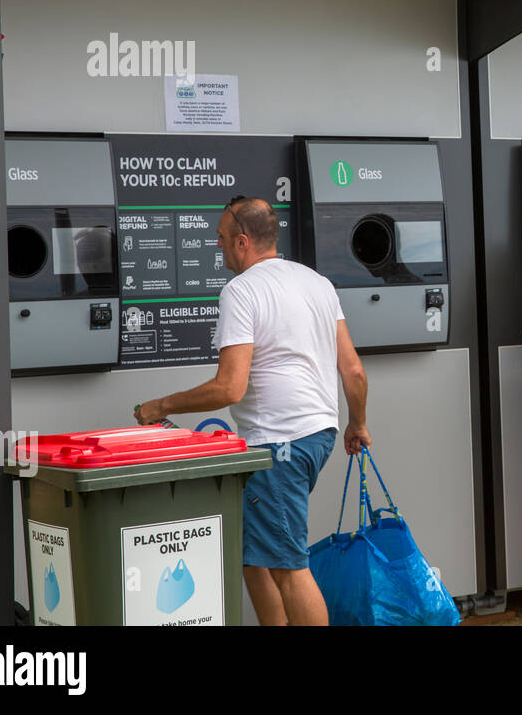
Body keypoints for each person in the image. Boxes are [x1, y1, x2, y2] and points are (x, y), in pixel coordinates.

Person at [135, 196, 370, 626]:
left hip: (276, 445)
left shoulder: (241, 291)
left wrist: (161, 405)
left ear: (243, 242)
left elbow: (229, 386)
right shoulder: (317, 283)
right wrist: (357, 423)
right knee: (255, 555)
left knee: (287, 565)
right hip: (317, 434)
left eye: (223, 240)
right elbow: (353, 370)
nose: (219, 248)